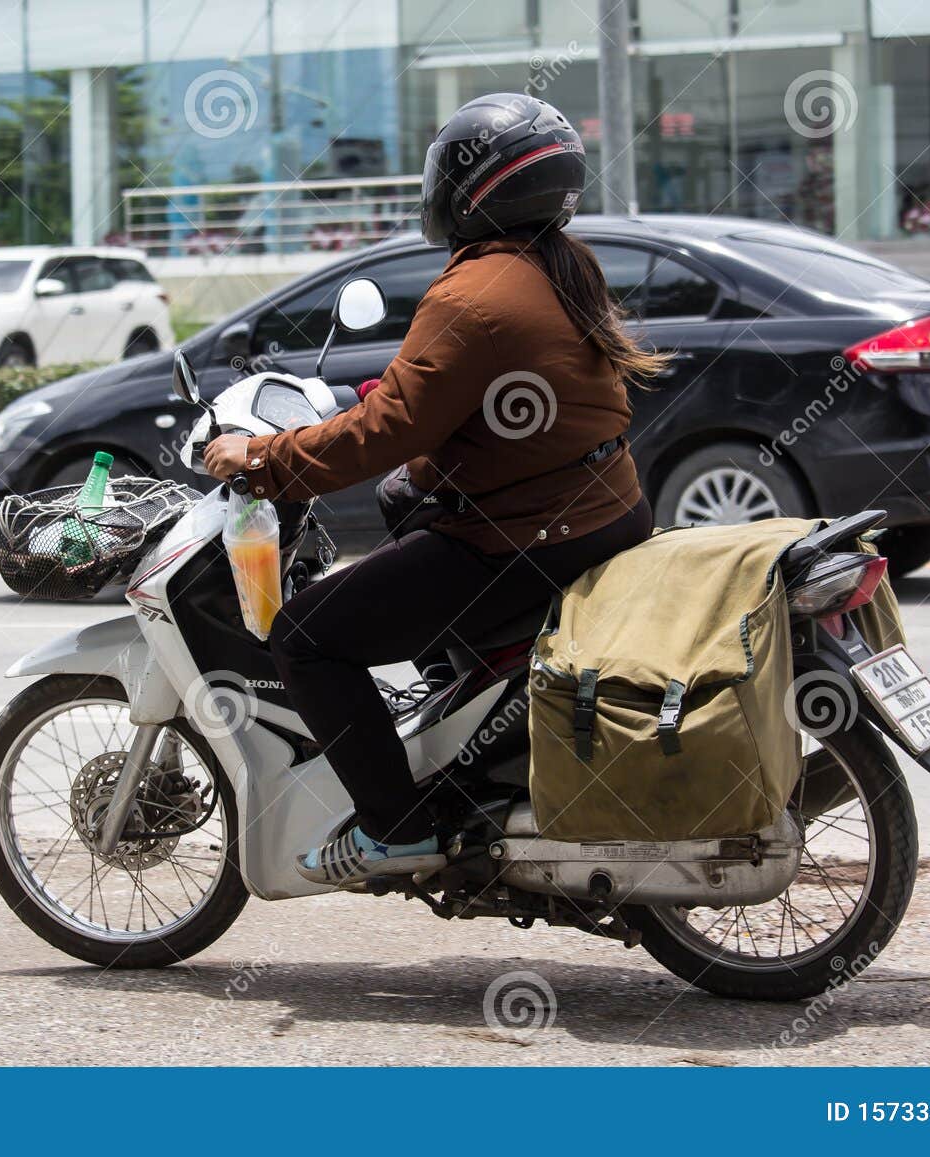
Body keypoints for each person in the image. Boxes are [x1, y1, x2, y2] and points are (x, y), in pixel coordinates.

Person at [202, 93, 662, 887]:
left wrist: (262, 458)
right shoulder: (560, 262)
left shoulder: (470, 295)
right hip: (604, 509)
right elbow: (457, 402)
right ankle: (463, 713)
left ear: (474, 189)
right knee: (398, 498)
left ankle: (396, 827)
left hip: (523, 538)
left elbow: (384, 433)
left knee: (306, 637)